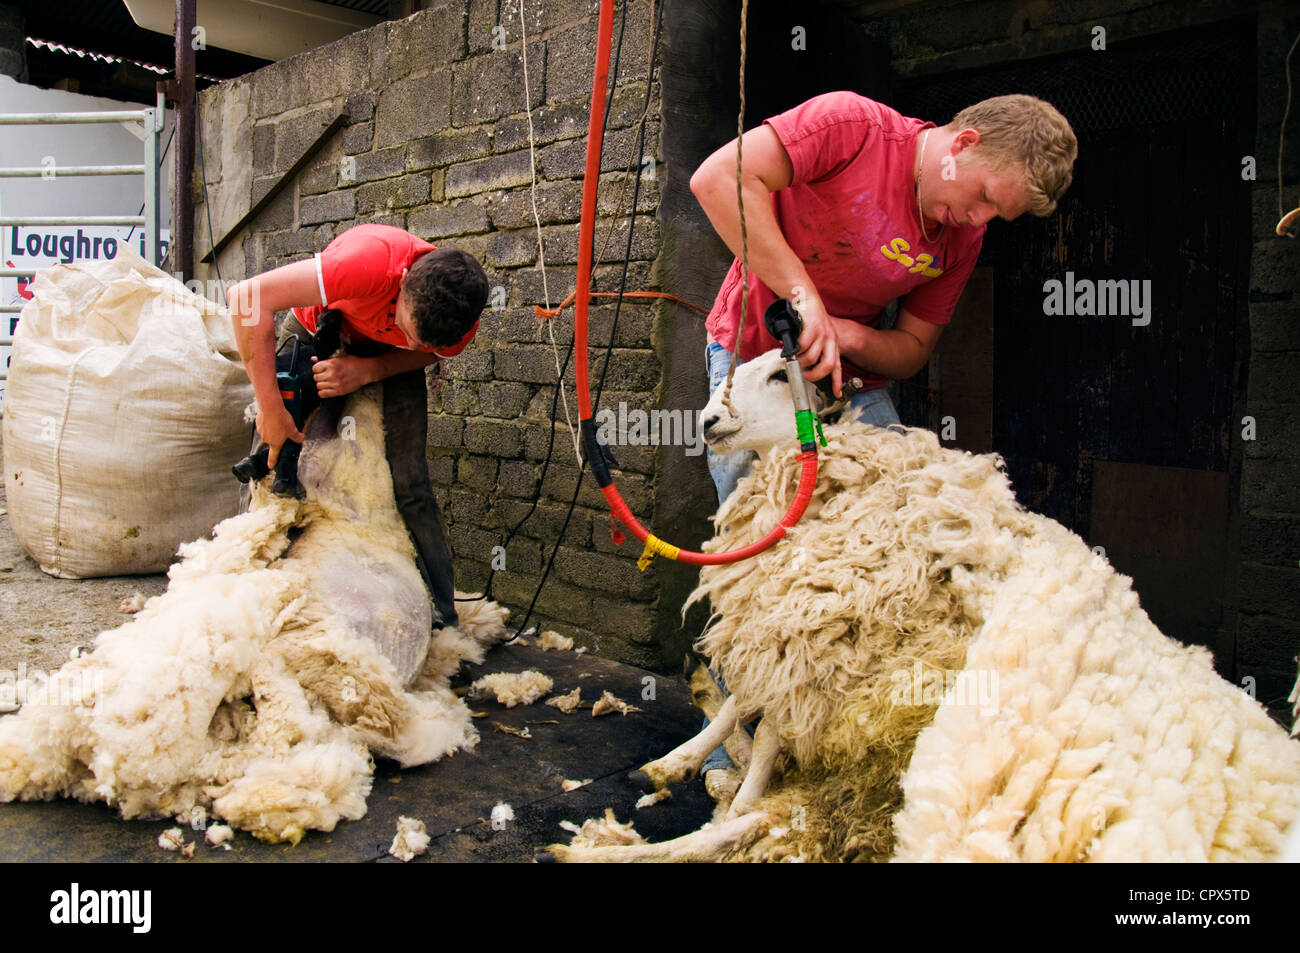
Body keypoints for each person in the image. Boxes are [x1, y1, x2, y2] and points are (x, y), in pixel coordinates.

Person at [691, 91, 1078, 504]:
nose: (978, 219)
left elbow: (912, 350)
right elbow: (717, 178)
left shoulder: (964, 239)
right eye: (985, 196)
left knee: (896, 510)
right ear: (964, 144)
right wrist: (805, 298)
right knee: (757, 517)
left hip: (850, 379)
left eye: (996, 214)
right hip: (757, 348)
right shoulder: (853, 127)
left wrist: (847, 336)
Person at [227, 223, 488, 631]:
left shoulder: (455, 322)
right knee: (279, 458)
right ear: (401, 283)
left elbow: (424, 352)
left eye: (420, 339)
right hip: (321, 324)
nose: (411, 338)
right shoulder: (366, 264)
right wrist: (271, 408)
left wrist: (370, 369)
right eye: (406, 325)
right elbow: (246, 297)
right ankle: (241, 586)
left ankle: (442, 614)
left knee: (410, 481)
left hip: (388, 357)